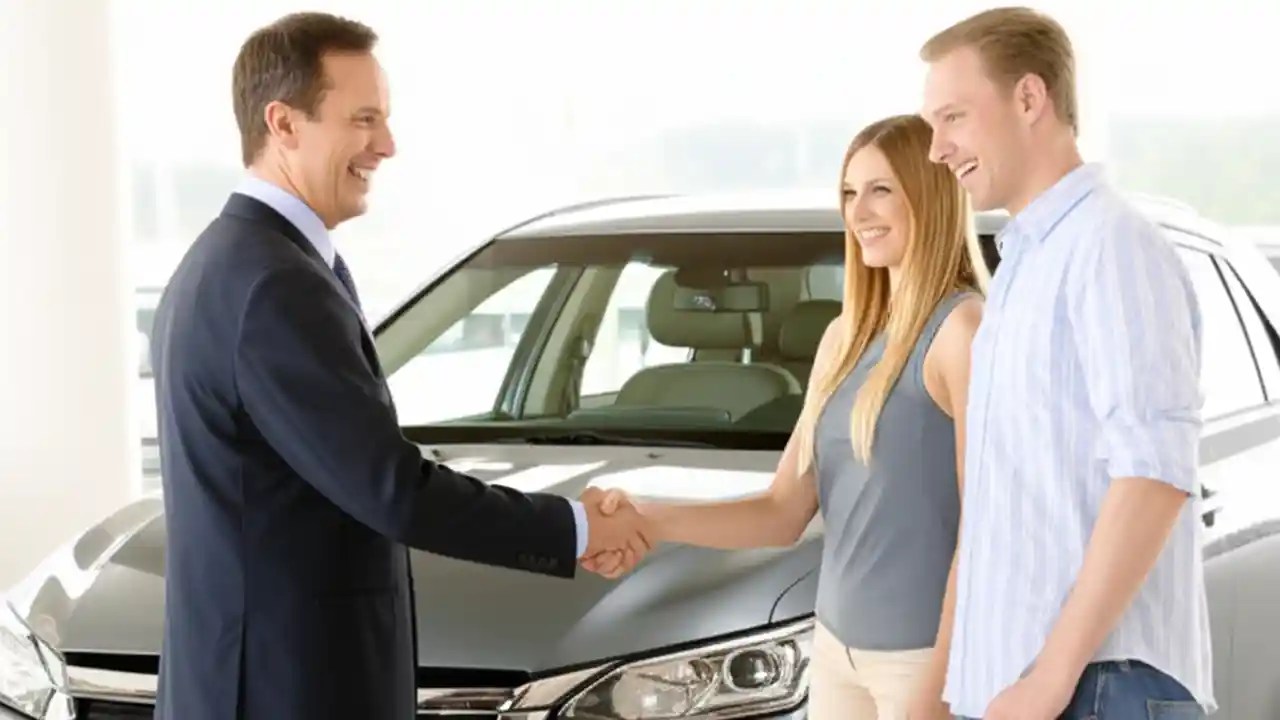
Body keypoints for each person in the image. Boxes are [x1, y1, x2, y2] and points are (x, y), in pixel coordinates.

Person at [149, 12, 651, 720]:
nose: (386, 145)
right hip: (288, 689)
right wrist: (575, 528)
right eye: (363, 120)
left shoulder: (236, 262)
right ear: (284, 123)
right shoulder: (274, 284)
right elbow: (392, 490)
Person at [579, 114, 987, 720]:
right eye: (850, 193)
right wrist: (646, 517)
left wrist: (943, 683)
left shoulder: (963, 329)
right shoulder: (843, 337)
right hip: (836, 654)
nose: (860, 212)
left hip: (921, 659)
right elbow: (781, 513)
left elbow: (987, 531)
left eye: (881, 190)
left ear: (929, 195)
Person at [917, 7, 1213, 720]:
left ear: (1029, 98)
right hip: (1034, 689)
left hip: (1098, 688)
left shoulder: (1110, 245)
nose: (935, 149)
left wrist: (1049, 682)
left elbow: (1152, 474)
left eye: (952, 117)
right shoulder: (1026, 261)